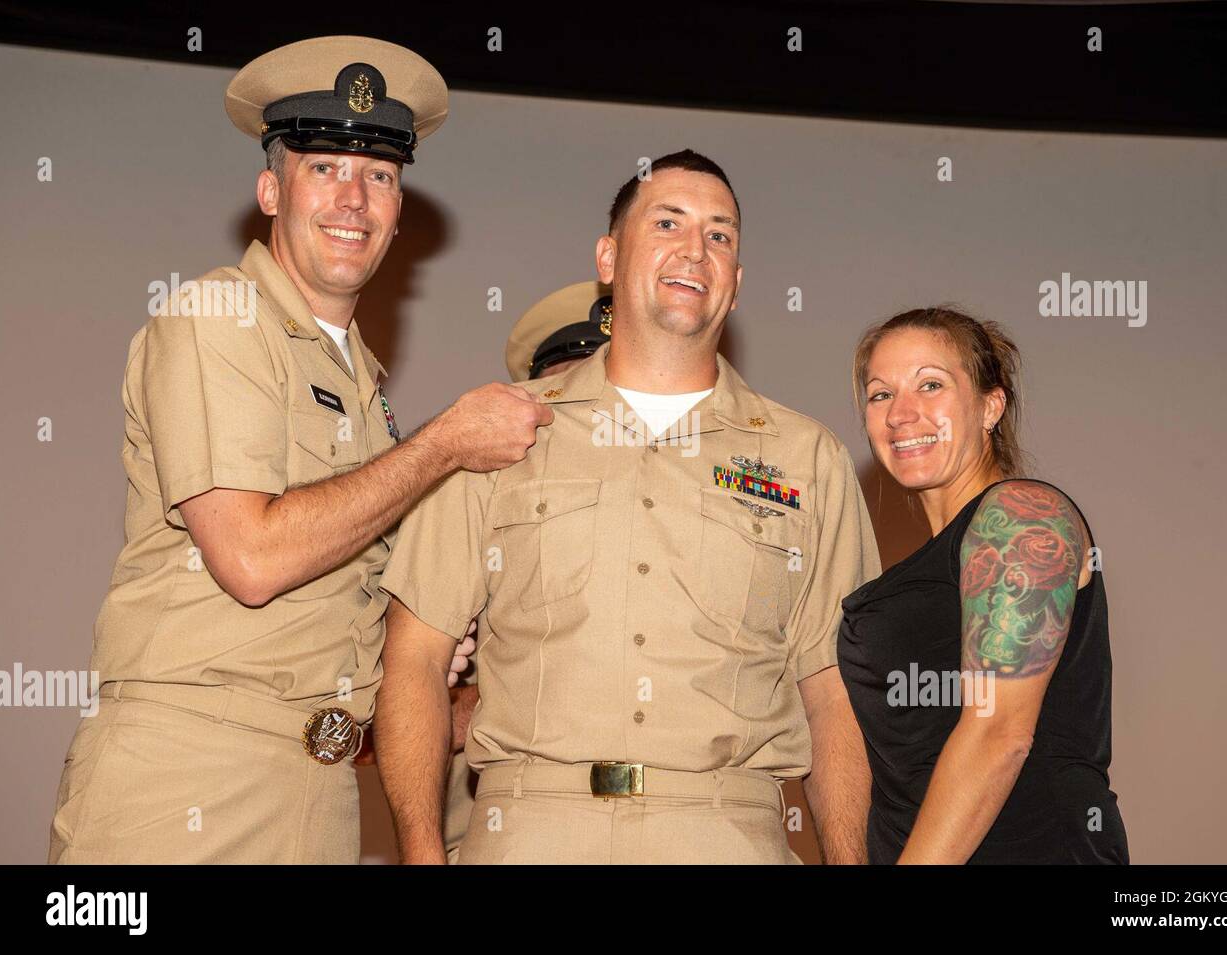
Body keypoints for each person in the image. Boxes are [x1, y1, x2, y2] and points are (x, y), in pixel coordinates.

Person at [48, 36, 550, 864]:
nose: (354, 199)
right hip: (189, 777)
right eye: (325, 168)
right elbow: (252, 555)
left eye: (380, 177)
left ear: (399, 206)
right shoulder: (217, 318)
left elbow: (332, 576)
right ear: (270, 190)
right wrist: (447, 443)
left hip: (322, 787)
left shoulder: (361, 382)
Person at [376, 149, 882, 864]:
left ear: (736, 283)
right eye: (668, 222)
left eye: (719, 234)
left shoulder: (807, 458)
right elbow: (415, 657)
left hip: (727, 833)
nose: (694, 250)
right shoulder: (498, 430)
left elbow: (833, 691)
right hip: (529, 831)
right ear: (609, 258)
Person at [837, 306, 1130, 863]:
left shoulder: (1024, 515)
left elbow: (999, 735)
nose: (902, 413)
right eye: (880, 395)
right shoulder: (919, 570)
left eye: (930, 385)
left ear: (990, 406)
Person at [441, 280, 613, 860]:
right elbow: (387, 676)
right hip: (502, 828)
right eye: (567, 386)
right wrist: (476, 703)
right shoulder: (472, 492)